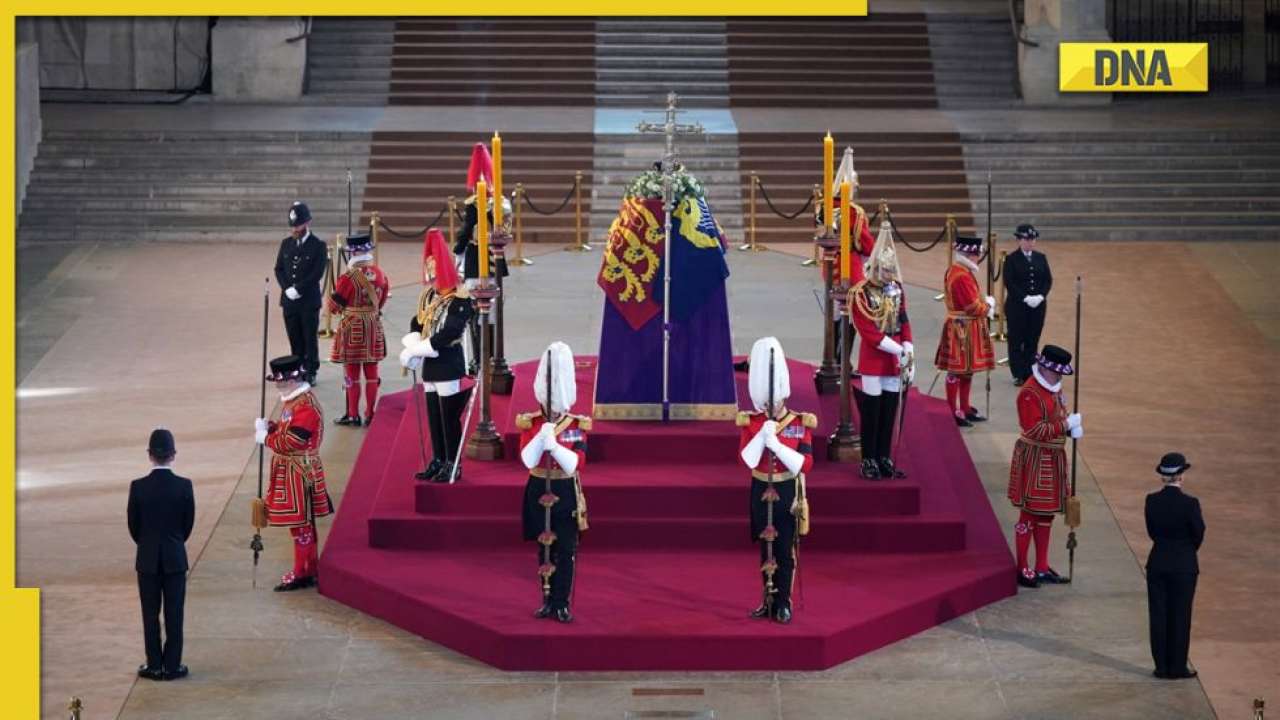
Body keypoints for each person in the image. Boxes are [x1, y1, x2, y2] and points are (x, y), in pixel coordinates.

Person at [738, 337, 816, 624]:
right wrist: (762, 436)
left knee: (784, 549)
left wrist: (778, 446)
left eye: (775, 400)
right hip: (760, 489)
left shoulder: (799, 422)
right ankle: (767, 600)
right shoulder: (752, 422)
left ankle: (784, 601)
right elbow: (745, 460)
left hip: (786, 490)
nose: (771, 405)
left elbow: (805, 464)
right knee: (766, 549)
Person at [516, 342, 590, 624]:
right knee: (544, 547)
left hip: (564, 489)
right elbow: (527, 460)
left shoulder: (576, 425)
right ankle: (546, 600)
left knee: (566, 550)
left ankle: (561, 602)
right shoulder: (531, 422)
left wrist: (555, 447)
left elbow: (576, 464)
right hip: (538, 487)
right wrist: (540, 437)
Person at [400, 229, 475, 483]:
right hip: (430, 365)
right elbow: (418, 321)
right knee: (433, 415)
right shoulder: (430, 296)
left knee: (448, 418)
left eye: (435, 276)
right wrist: (412, 342)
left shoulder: (460, 299)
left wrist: (417, 349)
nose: (432, 281)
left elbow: (450, 331)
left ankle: (453, 463)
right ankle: (439, 459)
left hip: (447, 363)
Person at [255, 355, 333, 591]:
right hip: (292, 469)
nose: (278, 385)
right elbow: (287, 429)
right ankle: (308, 568)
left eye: (281, 381)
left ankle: (302, 572)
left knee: (301, 524)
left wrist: (266, 439)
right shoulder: (294, 401)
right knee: (301, 524)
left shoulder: (305, 406)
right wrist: (272, 428)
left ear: (292, 380)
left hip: (300, 470)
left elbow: (292, 442)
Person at [1006, 345, 1081, 588]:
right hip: (1035, 458)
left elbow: (1057, 415)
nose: (1060, 377)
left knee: (1046, 513)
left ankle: (1041, 565)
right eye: (1057, 372)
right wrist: (1065, 426)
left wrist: (1069, 427)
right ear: (1046, 368)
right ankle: (1022, 567)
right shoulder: (1030, 393)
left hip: (1052, 457)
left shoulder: (1053, 389)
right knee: (1029, 512)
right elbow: (1035, 430)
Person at [127, 428, 194, 681]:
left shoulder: (138, 487)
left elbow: (134, 525)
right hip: (175, 558)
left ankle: (154, 664)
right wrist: (174, 543)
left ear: (150, 455)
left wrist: (147, 544)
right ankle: (173, 665)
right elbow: (187, 524)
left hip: (147, 559)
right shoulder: (184, 486)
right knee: (175, 613)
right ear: (173, 455)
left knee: (150, 614)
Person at [848, 220, 914, 480]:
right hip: (875, 357)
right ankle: (869, 458)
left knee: (889, 409)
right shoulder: (861, 294)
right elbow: (869, 332)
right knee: (872, 410)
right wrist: (899, 349)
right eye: (885, 270)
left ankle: (884, 455)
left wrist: (908, 347)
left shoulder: (896, 288)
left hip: (894, 357)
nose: (890, 274)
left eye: (891, 269)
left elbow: (903, 318)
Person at [1145, 452, 1204, 680]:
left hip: (1158, 562)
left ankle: (1161, 666)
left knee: (1158, 615)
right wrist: (1186, 551)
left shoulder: (1152, 500)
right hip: (1184, 565)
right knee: (1180, 615)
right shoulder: (1190, 504)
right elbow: (1198, 533)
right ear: (1180, 476)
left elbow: (1152, 531)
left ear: (1163, 476)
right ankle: (1178, 666)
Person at [453, 143, 511, 373]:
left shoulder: (473, 204)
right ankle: (493, 357)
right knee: (494, 314)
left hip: (476, 260)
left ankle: (478, 360)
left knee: (474, 313)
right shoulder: (501, 202)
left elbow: (466, 231)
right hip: (496, 260)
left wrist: (457, 249)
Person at [326, 232, 390, 427]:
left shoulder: (347, 278)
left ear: (352, 253)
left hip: (352, 326)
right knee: (372, 373)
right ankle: (370, 413)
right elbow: (382, 301)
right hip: (373, 325)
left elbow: (333, 307)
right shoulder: (380, 274)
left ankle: (353, 415)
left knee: (352, 374)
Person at [935, 235, 997, 426]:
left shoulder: (958, 270)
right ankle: (953, 411)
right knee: (956, 370)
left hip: (964, 327)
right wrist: (989, 305)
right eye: (977, 255)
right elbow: (973, 307)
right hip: (962, 329)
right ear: (971, 255)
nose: (978, 258)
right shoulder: (961, 276)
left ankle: (964, 407)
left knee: (966, 370)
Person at [274, 201, 328, 385]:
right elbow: (279, 269)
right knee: (294, 337)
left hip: (308, 301)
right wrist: (287, 288)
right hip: (289, 301)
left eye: (298, 225)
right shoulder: (286, 244)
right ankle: (297, 368)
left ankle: (311, 370)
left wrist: (298, 289)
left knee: (309, 338)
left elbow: (317, 273)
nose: (295, 229)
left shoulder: (318, 246)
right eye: (293, 226)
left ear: (307, 222)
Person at [1002, 224, 1052, 386]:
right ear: (1019, 240)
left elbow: (1047, 280)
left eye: (1033, 239)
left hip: (1037, 307)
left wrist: (1041, 296)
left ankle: (1030, 372)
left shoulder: (1041, 257)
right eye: (1027, 239)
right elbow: (1009, 282)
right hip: (1017, 307)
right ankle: (1018, 373)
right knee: (1016, 340)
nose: (1030, 242)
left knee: (1032, 339)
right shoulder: (1011, 259)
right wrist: (1025, 298)